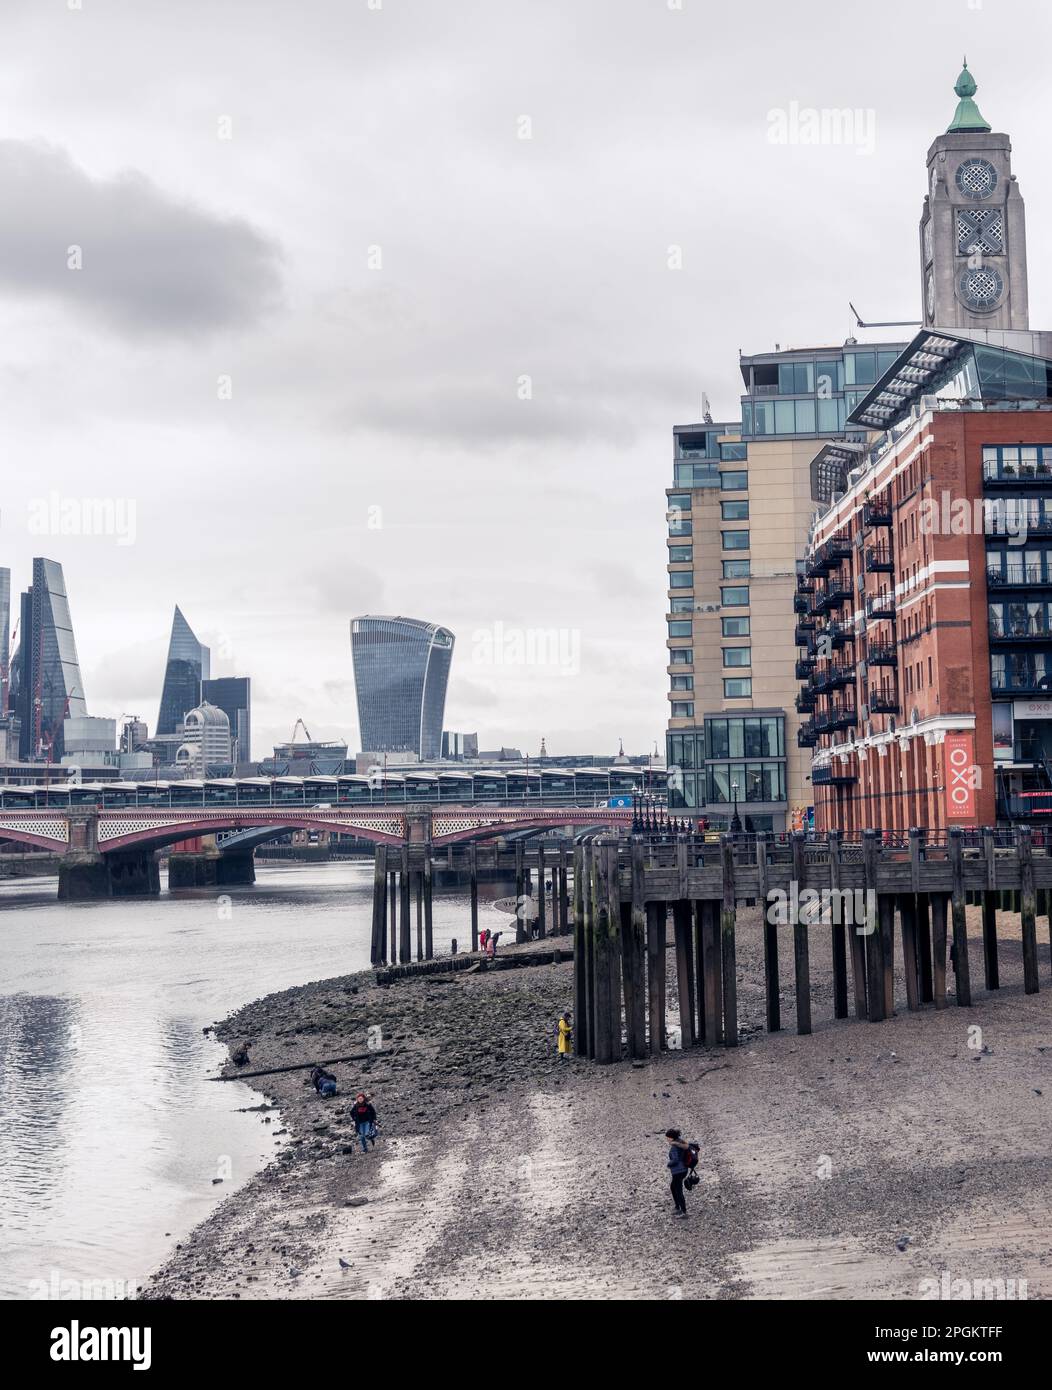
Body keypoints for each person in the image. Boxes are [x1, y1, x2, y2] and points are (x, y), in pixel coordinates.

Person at [665, 1128, 695, 1218]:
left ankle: (683, 1211)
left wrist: (668, 1164)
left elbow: (675, 1160)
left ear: (670, 1138)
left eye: (667, 1137)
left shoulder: (674, 1147)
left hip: (678, 1171)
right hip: (684, 1170)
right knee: (673, 1187)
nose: (666, 1139)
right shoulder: (680, 1142)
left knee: (678, 1190)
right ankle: (677, 1207)